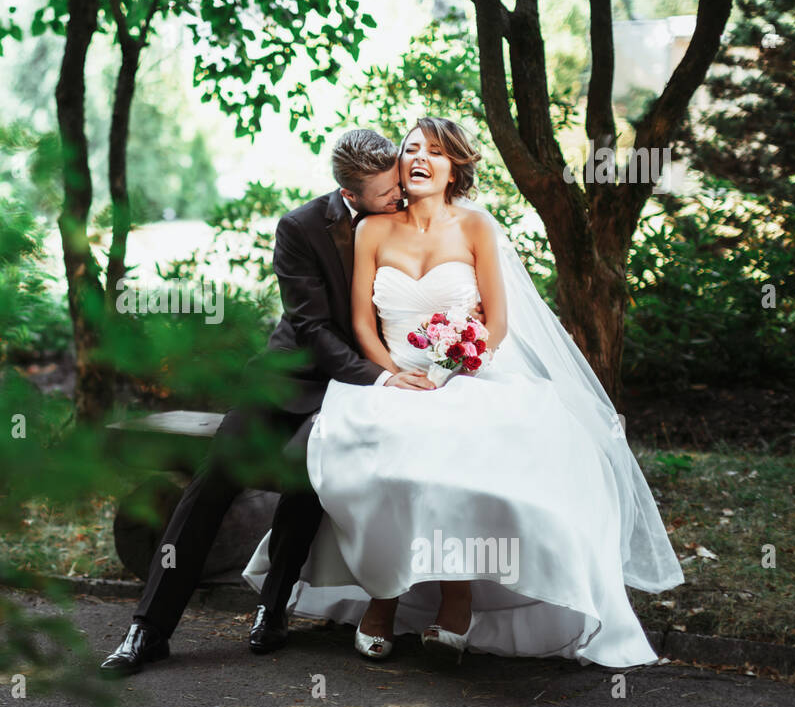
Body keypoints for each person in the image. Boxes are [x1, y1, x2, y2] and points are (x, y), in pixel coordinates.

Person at [242, 117, 684, 668]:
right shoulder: (372, 231)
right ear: (398, 166)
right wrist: (393, 374)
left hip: (466, 374)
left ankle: (459, 596)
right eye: (411, 149)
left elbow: (495, 323)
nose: (421, 157)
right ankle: (384, 596)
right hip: (394, 374)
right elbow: (361, 324)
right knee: (385, 460)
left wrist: (451, 369)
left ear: (455, 168)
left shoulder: (476, 227)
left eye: (436, 151)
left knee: (457, 458)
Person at [100, 128, 437, 677]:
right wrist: (379, 378)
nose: (399, 195)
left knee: (310, 472)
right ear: (351, 195)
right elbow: (312, 329)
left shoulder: (412, 213)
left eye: (399, 182)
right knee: (213, 480)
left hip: (358, 388)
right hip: (294, 373)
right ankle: (148, 628)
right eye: (385, 193)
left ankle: (274, 606)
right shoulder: (301, 228)